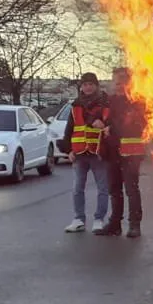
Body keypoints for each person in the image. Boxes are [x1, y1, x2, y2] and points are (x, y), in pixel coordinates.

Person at [95, 67, 146, 239]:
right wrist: (97, 122)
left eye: (122, 81)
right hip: (111, 151)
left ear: (129, 83)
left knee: (131, 189)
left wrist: (112, 129)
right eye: (115, 81)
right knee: (114, 189)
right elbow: (95, 115)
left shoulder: (137, 101)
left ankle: (134, 225)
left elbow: (135, 125)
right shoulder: (108, 101)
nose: (118, 85)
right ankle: (115, 224)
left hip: (130, 151)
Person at [63, 72, 110, 233]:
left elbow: (109, 124)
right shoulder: (75, 106)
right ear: (81, 87)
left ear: (96, 85)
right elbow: (69, 130)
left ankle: (99, 219)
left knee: (102, 188)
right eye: (85, 84)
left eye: (91, 84)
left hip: (98, 152)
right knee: (77, 188)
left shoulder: (105, 103)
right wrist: (68, 150)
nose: (88, 87)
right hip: (79, 153)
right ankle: (78, 219)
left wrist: (103, 125)